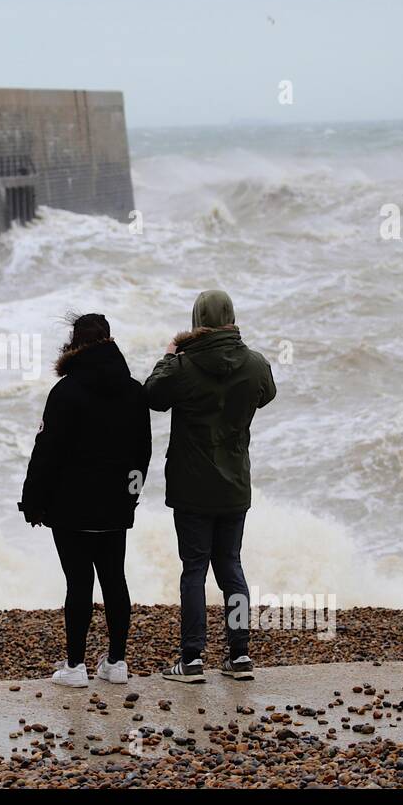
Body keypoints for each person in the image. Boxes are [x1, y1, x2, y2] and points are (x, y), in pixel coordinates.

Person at [145, 290, 276, 682]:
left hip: (191, 486)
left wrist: (169, 354)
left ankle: (192, 657)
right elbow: (266, 393)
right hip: (235, 483)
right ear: (233, 319)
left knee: (194, 570)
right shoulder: (255, 364)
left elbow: (152, 394)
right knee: (231, 567)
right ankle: (239, 655)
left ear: (195, 321)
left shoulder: (183, 367)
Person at [21, 313, 151, 688]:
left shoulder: (65, 391)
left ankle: (75, 666)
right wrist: (132, 495)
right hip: (116, 504)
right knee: (114, 580)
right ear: (110, 340)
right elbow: (142, 450)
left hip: (71, 506)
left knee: (78, 583)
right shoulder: (133, 390)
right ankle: (117, 662)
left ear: (74, 345)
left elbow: (46, 451)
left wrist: (33, 501)